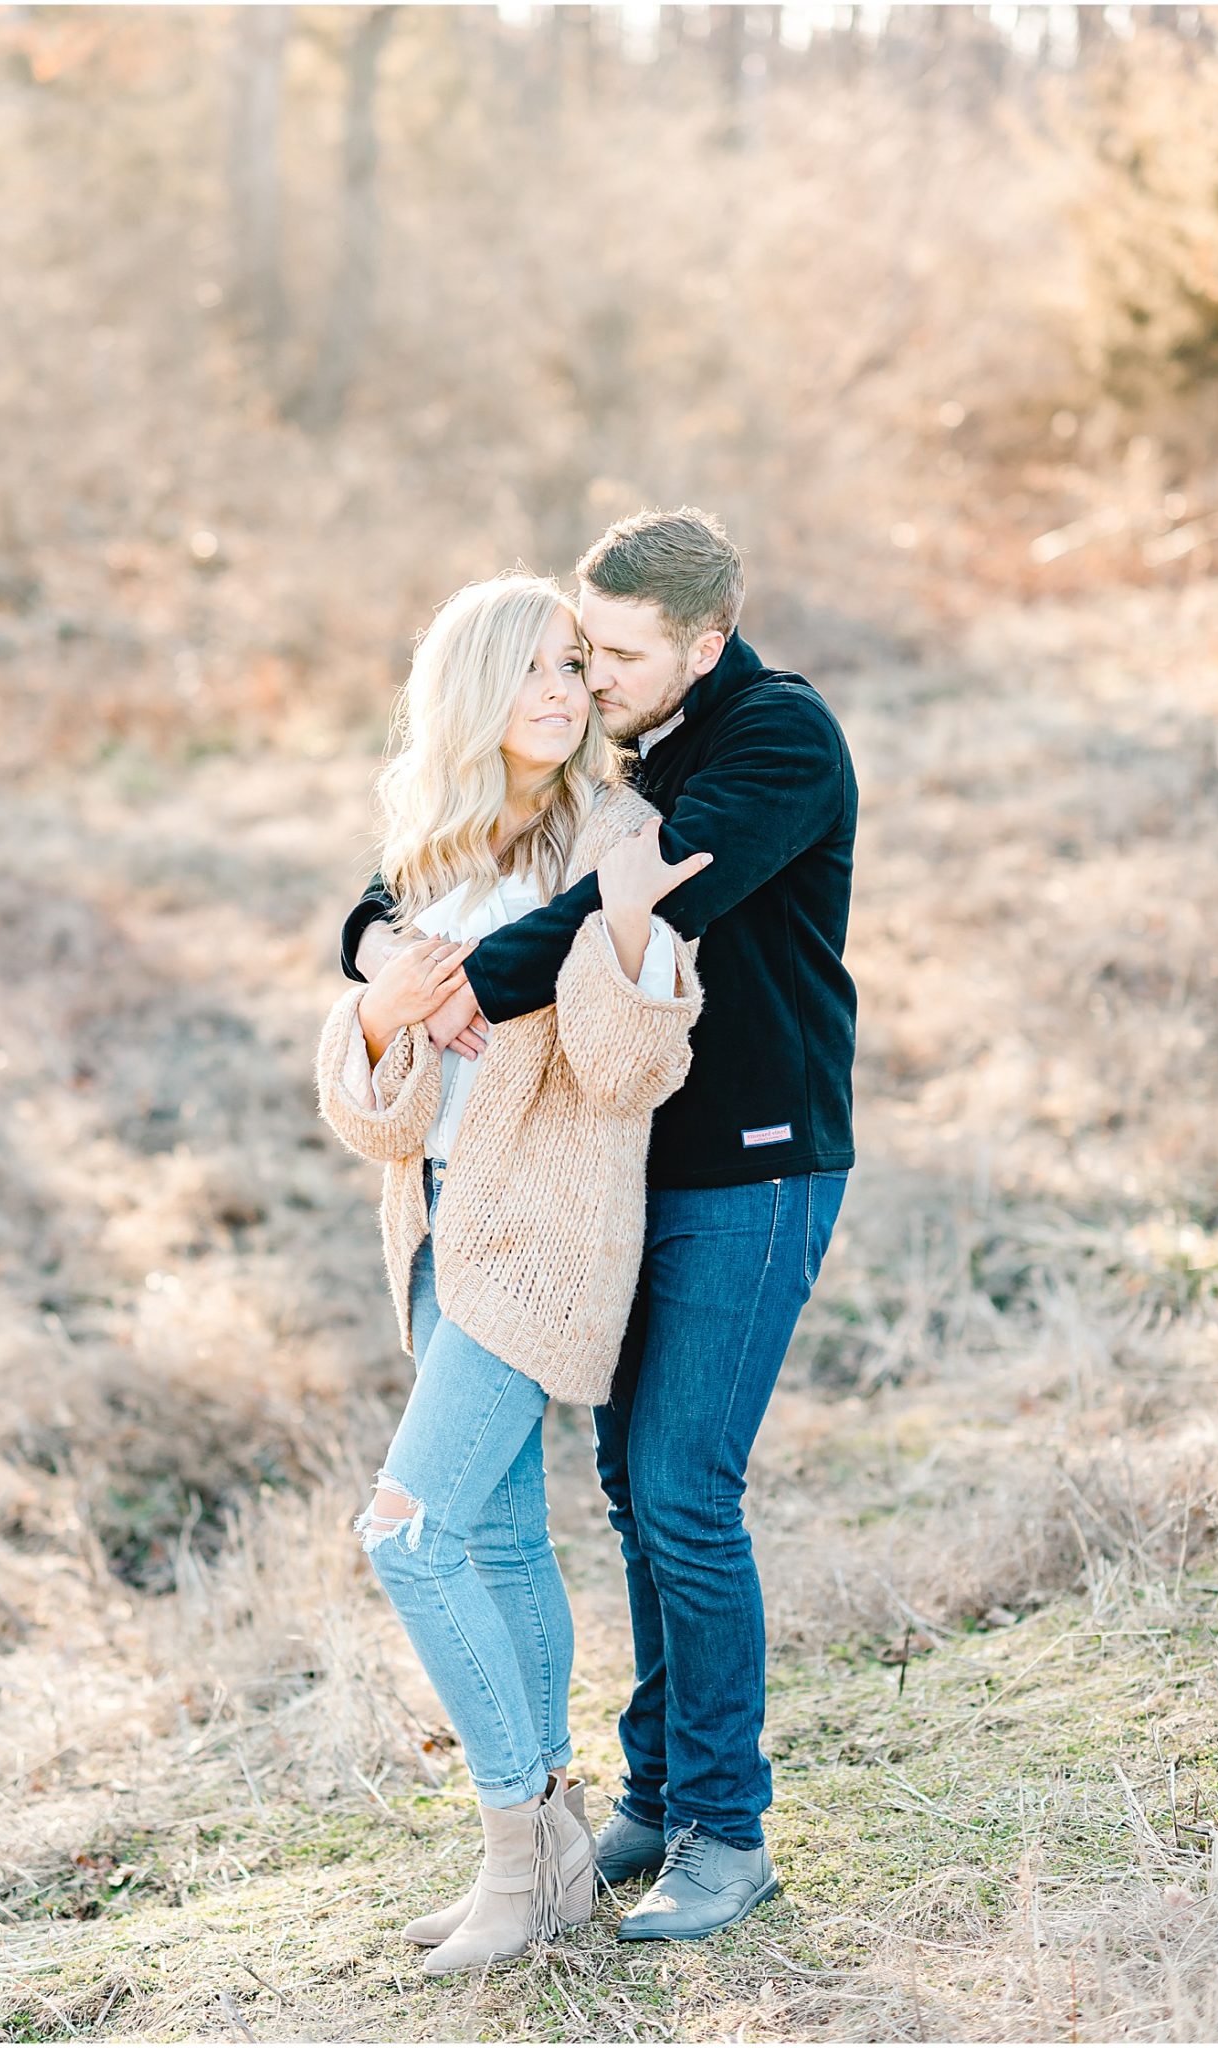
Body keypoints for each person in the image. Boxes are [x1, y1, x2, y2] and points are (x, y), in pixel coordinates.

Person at [342, 507, 858, 1943]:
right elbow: (448, 866)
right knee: (635, 1494)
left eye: (618, 655)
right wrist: (374, 946)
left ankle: (726, 1829)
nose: (593, 679)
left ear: (704, 642)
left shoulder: (773, 743)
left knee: (685, 1492)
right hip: (626, 1175)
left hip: (751, 1163)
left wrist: (442, 989)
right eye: (579, 648)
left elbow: (593, 921)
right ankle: (649, 1797)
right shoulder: (625, 746)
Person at [315, 571, 709, 1975]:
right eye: (533, 670)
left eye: (570, 667)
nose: (563, 692)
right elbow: (379, 1119)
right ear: (472, 691)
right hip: (430, 1236)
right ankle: (552, 1846)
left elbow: (626, 1072)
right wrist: (378, 1010)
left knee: (407, 1532)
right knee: (492, 1539)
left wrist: (617, 933)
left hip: (543, 1243)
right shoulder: (425, 863)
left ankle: (510, 1852)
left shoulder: (617, 833)